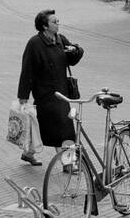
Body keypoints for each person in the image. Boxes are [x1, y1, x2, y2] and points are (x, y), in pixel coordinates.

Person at [16, 10, 85, 166]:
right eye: (54, 22)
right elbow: (27, 70)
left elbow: (72, 60)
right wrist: (23, 95)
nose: (58, 24)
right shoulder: (34, 43)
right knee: (62, 128)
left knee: (42, 125)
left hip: (61, 92)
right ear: (44, 26)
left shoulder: (60, 39)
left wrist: (76, 50)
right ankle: (68, 163)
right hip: (44, 93)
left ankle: (28, 153)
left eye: (57, 21)